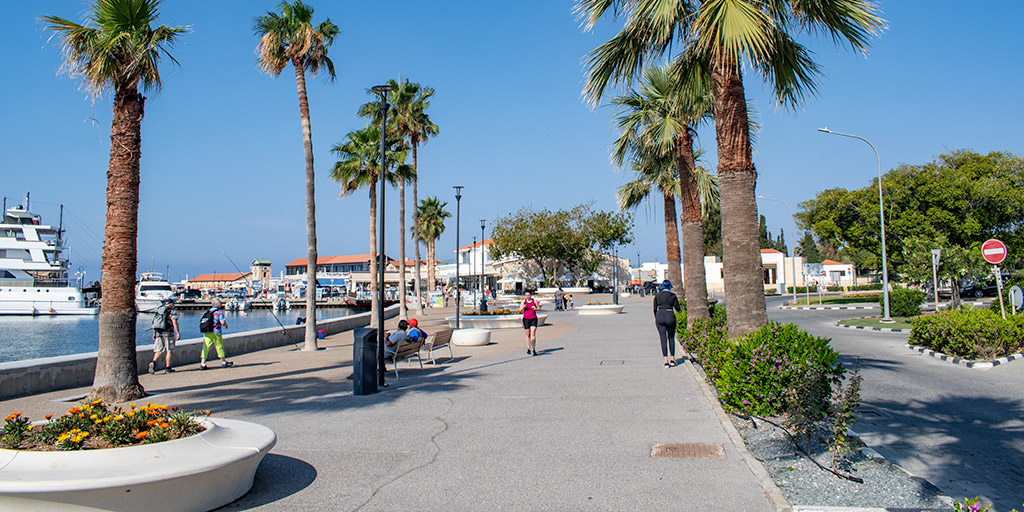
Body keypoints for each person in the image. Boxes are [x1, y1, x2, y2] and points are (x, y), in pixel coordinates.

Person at [652, 280, 681, 367]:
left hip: (660, 315)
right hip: (669, 315)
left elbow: (654, 308)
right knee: (671, 337)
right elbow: (678, 308)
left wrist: (657, 317)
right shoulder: (672, 296)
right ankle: (672, 359)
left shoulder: (657, 295)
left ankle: (665, 361)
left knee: (663, 338)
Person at [200, 298, 233, 370]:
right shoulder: (219, 312)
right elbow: (222, 322)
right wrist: (226, 325)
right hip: (216, 332)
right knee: (219, 346)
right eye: (220, 303)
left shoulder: (209, 311)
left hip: (208, 331)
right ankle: (224, 362)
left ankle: (203, 363)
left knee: (205, 347)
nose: (221, 304)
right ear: (216, 304)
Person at [149, 298, 180, 374]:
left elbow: (154, 323)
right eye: (173, 303)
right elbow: (174, 322)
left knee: (159, 350)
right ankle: (168, 368)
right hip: (169, 333)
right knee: (169, 350)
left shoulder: (159, 311)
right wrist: (177, 332)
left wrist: (154, 334)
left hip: (159, 333)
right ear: (170, 304)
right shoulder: (172, 311)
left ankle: (153, 362)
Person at [519, 291, 540, 355]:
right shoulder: (523, 301)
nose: (527, 296)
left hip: (533, 318)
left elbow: (539, 308)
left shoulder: (534, 301)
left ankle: (533, 349)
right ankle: (528, 348)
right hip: (526, 319)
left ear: (531, 295)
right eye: (526, 295)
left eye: (528, 295)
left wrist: (535, 308)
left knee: (533, 334)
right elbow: (520, 310)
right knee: (527, 334)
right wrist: (523, 306)